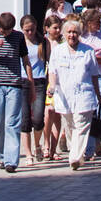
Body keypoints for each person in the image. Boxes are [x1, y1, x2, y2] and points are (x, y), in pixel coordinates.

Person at [47, 18, 101, 170]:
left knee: (81, 125)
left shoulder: (88, 51)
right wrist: (52, 87)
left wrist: (98, 94)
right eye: (69, 32)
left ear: (79, 34)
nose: (72, 35)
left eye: (75, 32)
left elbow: (94, 74)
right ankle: (78, 153)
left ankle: (75, 158)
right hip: (64, 95)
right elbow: (52, 71)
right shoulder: (58, 51)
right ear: (64, 34)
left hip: (83, 94)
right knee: (70, 126)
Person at [0, 12, 34, 173]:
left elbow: (26, 61)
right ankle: (3, 157)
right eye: (4, 31)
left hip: (14, 85)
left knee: (12, 123)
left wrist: (31, 84)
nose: (6, 33)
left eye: (9, 30)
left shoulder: (18, 37)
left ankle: (12, 161)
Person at [79, 7, 101, 161]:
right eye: (97, 21)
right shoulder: (81, 37)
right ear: (89, 22)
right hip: (86, 76)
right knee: (89, 111)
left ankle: (97, 139)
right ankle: (89, 148)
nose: (100, 24)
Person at [20, 14, 48, 164]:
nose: (30, 33)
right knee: (25, 120)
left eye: (32, 29)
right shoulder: (19, 42)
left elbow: (49, 62)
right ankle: (28, 154)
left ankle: (37, 145)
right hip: (22, 82)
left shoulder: (42, 42)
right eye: (26, 30)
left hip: (39, 81)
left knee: (37, 118)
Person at [42, 16, 64, 160]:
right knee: (48, 112)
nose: (57, 30)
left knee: (57, 115)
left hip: (61, 80)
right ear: (47, 28)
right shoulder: (42, 42)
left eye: (58, 27)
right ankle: (46, 144)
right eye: (54, 27)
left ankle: (54, 149)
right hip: (45, 80)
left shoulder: (63, 41)